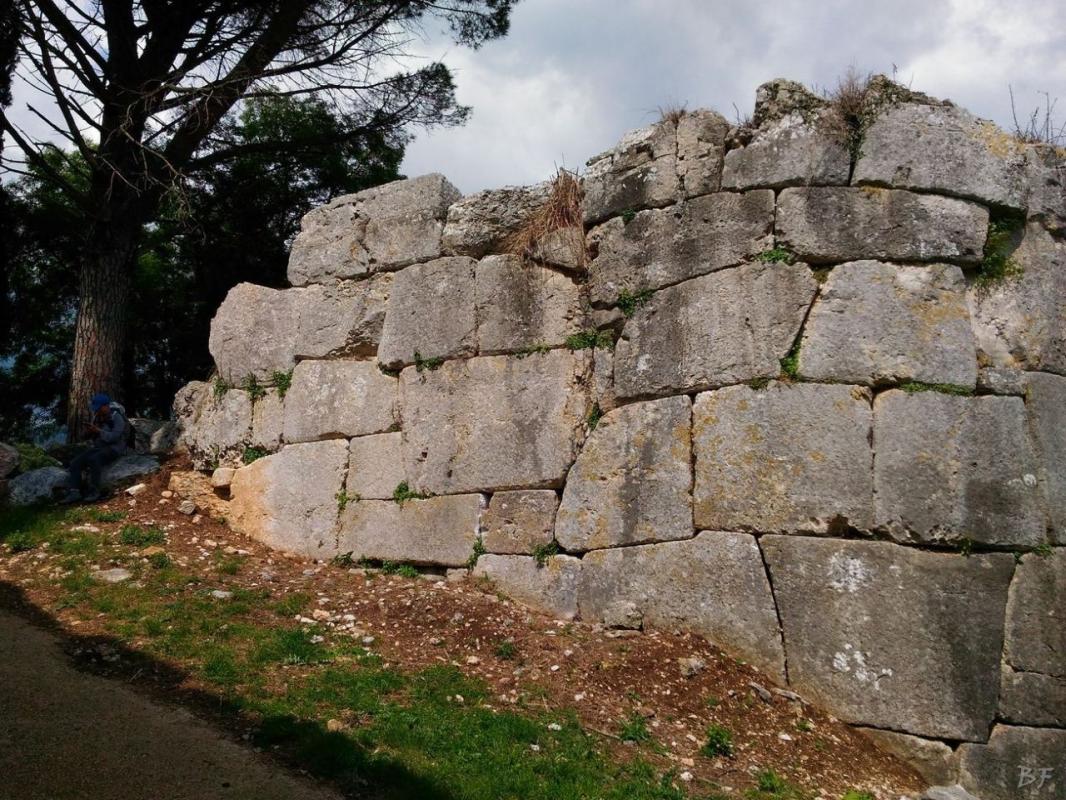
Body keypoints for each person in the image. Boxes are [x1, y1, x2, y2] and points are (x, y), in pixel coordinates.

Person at [63, 393, 129, 503]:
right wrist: (89, 432)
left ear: (105, 406)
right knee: (75, 462)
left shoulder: (117, 417)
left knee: (94, 459)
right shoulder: (98, 416)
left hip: (114, 449)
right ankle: (74, 492)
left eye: (99, 408)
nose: (97, 411)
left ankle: (94, 491)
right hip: (100, 447)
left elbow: (114, 437)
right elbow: (88, 436)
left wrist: (98, 431)